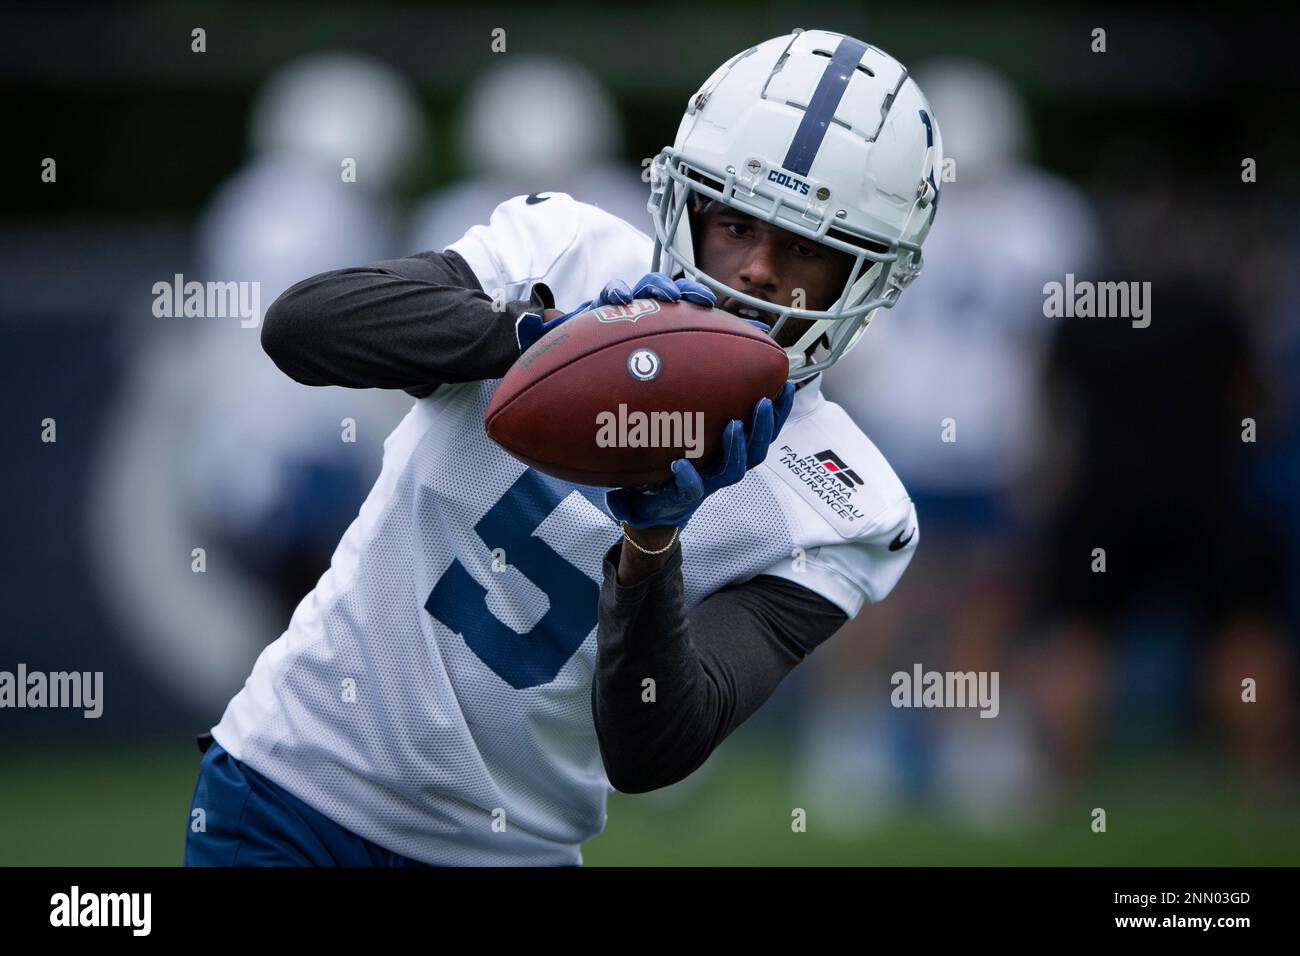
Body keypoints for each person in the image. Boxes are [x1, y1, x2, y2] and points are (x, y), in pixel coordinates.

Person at [185, 28, 944, 866]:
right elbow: (304, 328)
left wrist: (652, 546)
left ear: (869, 278)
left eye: (806, 248)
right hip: (291, 790)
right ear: (686, 204)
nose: (758, 270)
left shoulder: (848, 504)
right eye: (734, 222)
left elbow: (653, 747)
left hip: (514, 853)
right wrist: (547, 340)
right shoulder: (570, 255)